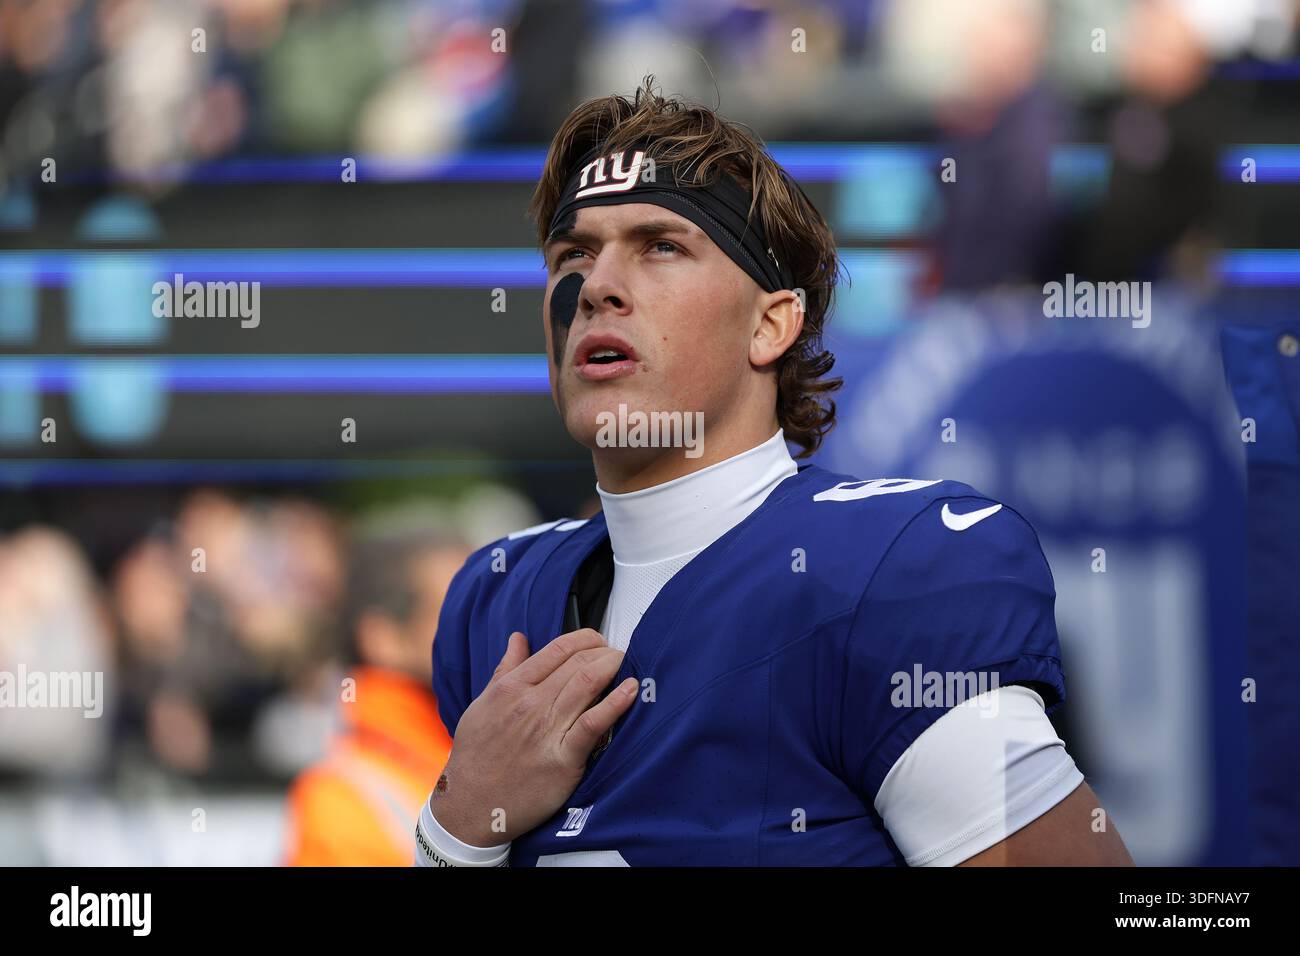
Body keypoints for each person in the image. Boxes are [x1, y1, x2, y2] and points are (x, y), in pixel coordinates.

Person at [415, 76, 1133, 867]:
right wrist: (455, 830)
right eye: (572, 254)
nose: (598, 288)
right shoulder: (498, 598)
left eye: (661, 246)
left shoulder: (883, 577)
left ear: (770, 325)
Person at [285, 527, 468, 866]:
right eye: (460, 610)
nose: (490, 627)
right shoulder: (340, 801)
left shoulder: (487, 757)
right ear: (384, 638)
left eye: (492, 602)